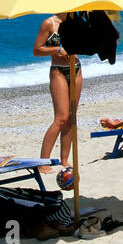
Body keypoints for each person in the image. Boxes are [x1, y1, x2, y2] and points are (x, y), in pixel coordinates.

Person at [34, 12, 81, 182]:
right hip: (58, 71)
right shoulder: (49, 23)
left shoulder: (76, 21)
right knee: (61, 118)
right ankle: (43, 162)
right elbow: (37, 50)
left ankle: (64, 159)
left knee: (71, 117)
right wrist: (57, 49)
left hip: (76, 68)